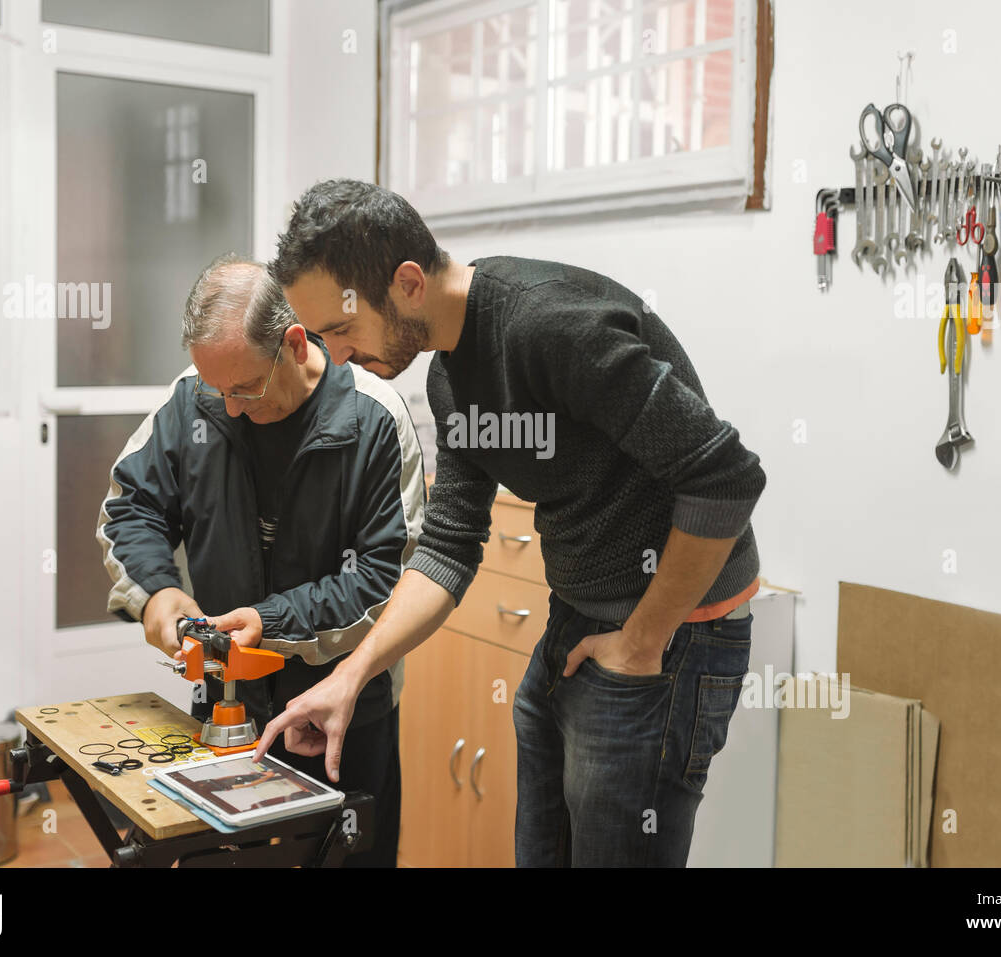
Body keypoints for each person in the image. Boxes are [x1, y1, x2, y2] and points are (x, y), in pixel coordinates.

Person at [250, 180, 768, 867]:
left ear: (408, 284)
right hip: (579, 618)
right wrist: (351, 676)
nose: (336, 356)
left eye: (341, 330)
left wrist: (644, 640)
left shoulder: (548, 327)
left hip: (675, 633)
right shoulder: (449, 378)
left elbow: (725, 477)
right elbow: (447, 547)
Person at [95, 253, 425, 867]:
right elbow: (130, 508)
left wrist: (269, 621)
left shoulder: (374, 418)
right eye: (218, 390)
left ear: (295, 344)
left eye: (245, 389)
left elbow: (387, 580)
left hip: (340, 711)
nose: (230, 408)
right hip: (226, 703)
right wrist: (158, 591)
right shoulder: (195, 397)